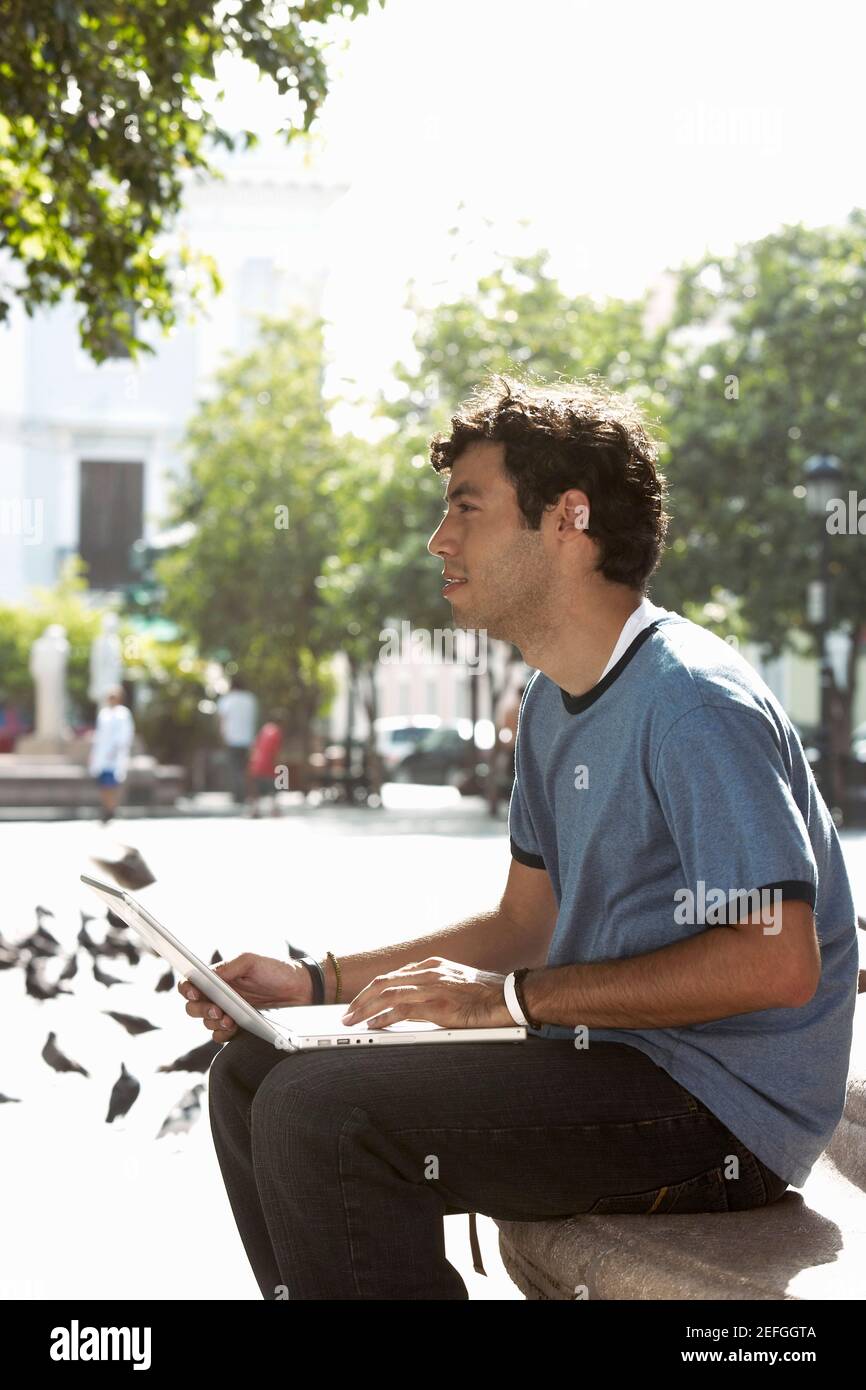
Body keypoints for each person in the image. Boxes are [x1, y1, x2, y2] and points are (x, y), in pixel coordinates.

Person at [181, 374, 859, 1301]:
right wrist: (313, 983)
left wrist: (505, 1001)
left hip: (723, 1112)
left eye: (468, 507)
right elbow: (525, 923)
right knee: (256, 1072)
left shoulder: (693, 702)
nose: (439, 539)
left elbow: (777, 962)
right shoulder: (552, 701)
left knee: (324, 1114)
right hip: (612, 1061)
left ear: (568, 519)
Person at [88, 685, 135, 824]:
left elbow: (125, 734)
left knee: (112, 784)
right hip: (102, 755)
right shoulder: (104, 714)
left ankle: (112, 808)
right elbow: (99, 735)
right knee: (103, 784)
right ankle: (106, 808)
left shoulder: (123, 714)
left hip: (115, 755)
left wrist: (116, 749)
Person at [216, 676, 258, 806]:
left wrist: (222, 736)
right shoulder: (250, 699)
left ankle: (238, 796)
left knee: (235, 769)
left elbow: (222, 720)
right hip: (248, 739)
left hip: (232, 738)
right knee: (245, 769)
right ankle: (247, 794)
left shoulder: (227, 700)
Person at [246, 715, 284, 818]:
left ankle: (255, 810)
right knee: (273, 787)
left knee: (257, 787)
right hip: (269, 764)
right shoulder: (277, 732)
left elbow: (255, 745)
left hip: (257, 762)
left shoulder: (264, 729)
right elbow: (275, 751)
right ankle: (274, 809)